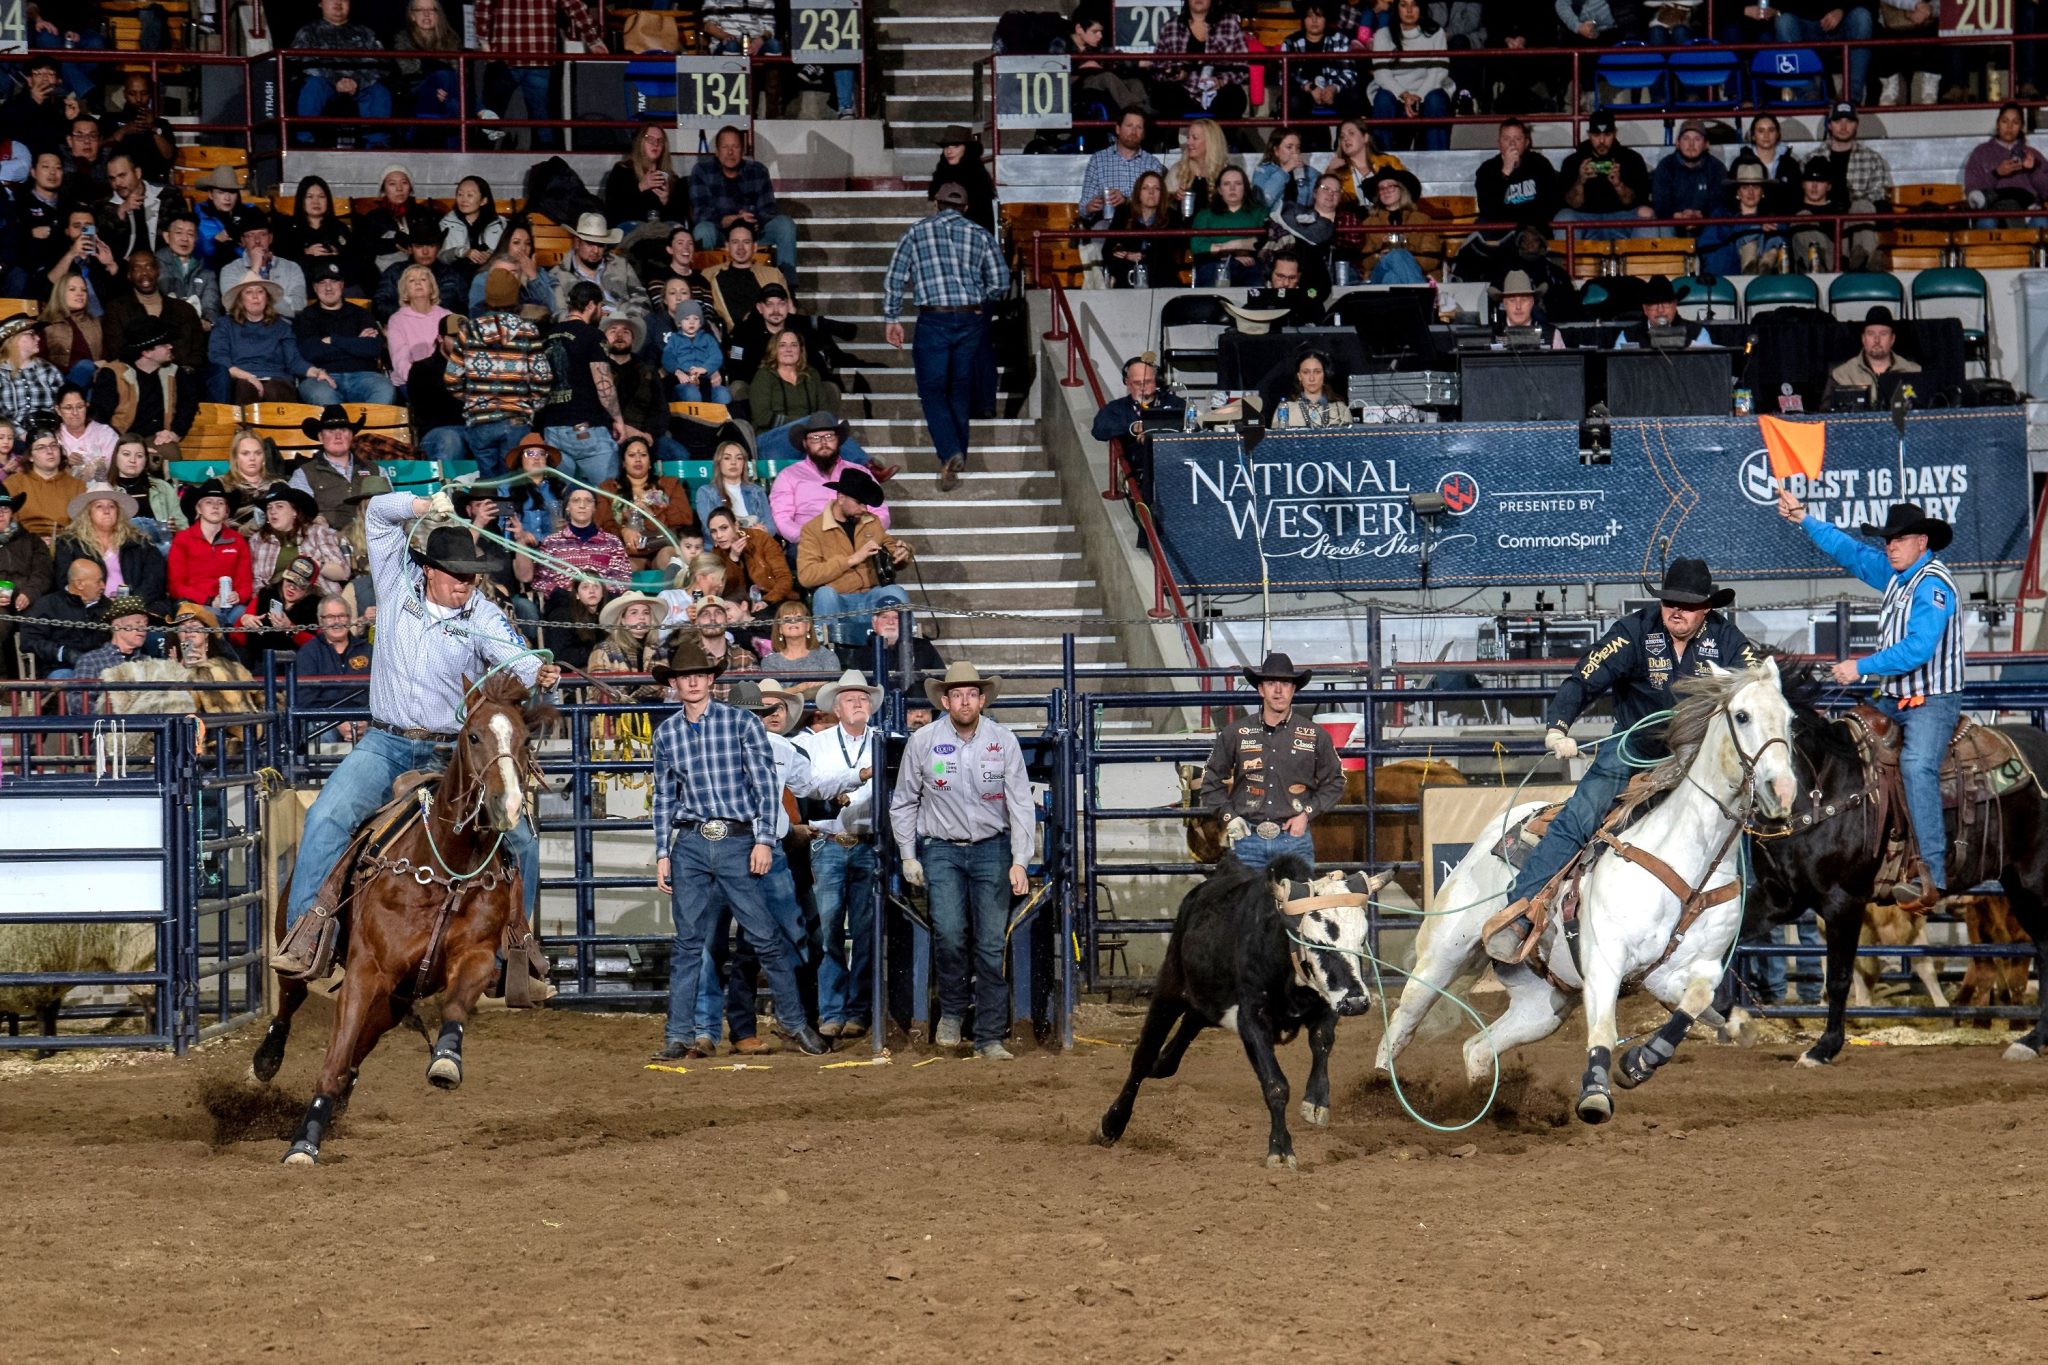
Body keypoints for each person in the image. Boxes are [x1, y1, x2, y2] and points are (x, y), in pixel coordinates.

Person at [270, 488, 561, 978]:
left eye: (472, 575)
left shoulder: (482, 614)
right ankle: (307, 933)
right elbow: (378, 516)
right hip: (385, 744)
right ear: (429, 570)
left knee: (521, 839)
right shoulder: (396, 584)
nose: (466, 583)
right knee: (326, 816)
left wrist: (540, 674)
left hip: (452, 753)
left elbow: (520, 659)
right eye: (457, 574)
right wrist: (423, 506)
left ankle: (514, 949)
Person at [1483, 559, 1760, 961]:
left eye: (1687, 605)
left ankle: (1736, 926)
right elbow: (1585, 677)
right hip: (1633, 748)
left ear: (1706, 608)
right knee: (1582, 813)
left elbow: (1759, 685)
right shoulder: (1634, 631)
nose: (1676, 611)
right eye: (1670, 602)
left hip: (1696, 758)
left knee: (1736, 823)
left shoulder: (1727, 639)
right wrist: (1558, 727)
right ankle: (1519, 913)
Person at [648, 632, 828, 1058]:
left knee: (765, 936)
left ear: (712, 679)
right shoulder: (667, 734)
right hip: (691, 841)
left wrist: (763, 840)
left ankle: (793, 1023)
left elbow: (766, 787)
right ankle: (679, 1034)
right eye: (685, 676)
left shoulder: (742, 723)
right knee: (689, 942)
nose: (693, 682)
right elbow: (664, 796)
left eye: (700, 675)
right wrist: (662, 852)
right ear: (674, 683)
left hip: (737, 838)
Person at [1776, 492, 1960, 909]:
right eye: (1888, 539)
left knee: (1917, 766)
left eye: (1900, 539)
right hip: (1894, 697)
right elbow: (1851, 552)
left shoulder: (1933, 585)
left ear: (1922, 542)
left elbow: (1919, 648)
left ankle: (1931, 873)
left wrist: (1861, 666)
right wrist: (1805, 519)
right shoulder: (1897, 574)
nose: (1890, 546)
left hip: (1933, 701)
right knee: (1846, 749)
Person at [890, 661, 1035, 1058]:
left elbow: (1021, 804)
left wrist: (1020, 859)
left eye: (972, 694)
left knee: (990, 943)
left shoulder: (1003, 741)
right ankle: (952, 1012)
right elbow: (904, 801)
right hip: (942, 848)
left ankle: (989, 1035)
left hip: (993, 847)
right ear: (945, 701)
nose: (965, 701)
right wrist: (908, 855)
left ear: (982, 700)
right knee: (950, 934)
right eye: (957, 695)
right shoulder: (923, 742)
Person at [881, 181, 1008, 494]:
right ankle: (954, 458)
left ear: (935, 204)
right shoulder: (980, 234)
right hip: (970, 317)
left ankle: (950, 452)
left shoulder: (916, 232)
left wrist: (892, 318)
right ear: (965, 208)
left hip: (934, 316)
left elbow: (895, 278)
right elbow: (1000, 282)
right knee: (960, 389)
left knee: (933, 390)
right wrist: (980, 298)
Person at [1195, 651, 1344, 873]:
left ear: (1293, 689)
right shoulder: (1235, 733)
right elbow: (1210, 781)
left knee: (1298, 896)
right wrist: (1230, 817)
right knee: (1246, 897)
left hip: (1294, 840)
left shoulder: (1315, 735)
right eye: (1271, 683)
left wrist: (1306, 814)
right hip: (1247, 840)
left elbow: (1335, 782)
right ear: (1261, 689)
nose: (1278, 690)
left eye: (1285, 683)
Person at [797, 668, 883, 1039]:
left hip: (867, 842)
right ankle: (834, 1011)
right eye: (850, 699)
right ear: (836, 708)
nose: (858, 703)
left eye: (863, 698)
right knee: (828, 931)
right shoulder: (816, 743)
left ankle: (856, 1010)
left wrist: (848, 785)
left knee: (865, 932)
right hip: (829, 842)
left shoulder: (884, 740)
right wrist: (859, 776)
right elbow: (812, 786)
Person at [440, 269, 551, 476]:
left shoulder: (468, 331)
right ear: (515, 297)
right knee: (512, 484)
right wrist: (531, 405)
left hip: (480, 421)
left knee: (489, 486)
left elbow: (452, 378)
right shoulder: (527, 331)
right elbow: (542, 377)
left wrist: (473, 398)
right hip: (517, 420)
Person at [796, 466, 910, 650]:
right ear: (841, 498)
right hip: (838, 600)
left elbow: (890, 547)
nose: (864, 509)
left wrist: (902, 554)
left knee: (894, 591)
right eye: (859, 503)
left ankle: (905, 651)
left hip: (871, 598)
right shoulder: (813, 530)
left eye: (866, 504)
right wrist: (851, 560)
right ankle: (827, 655)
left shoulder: (871, 522)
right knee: (824, 595)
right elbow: (806, 576)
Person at [474, 0, 608, 152]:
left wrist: (484, 42)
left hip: (504, 55)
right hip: (541, 56)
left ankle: (480, 157)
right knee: (543, 119)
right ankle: (547, 158)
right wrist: (593, 41)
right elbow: (576, 6)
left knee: (490, 115)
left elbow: (483, 5)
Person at [537, 281, 636, 485]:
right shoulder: (593, 335)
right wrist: (617, 419)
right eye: (601, 307)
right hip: (586, 427)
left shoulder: (547, 336)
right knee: (607, 494)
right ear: (591, 305)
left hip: (552, 428)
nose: (602, 313)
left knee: (564, 497)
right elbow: (603, 384)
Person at [686, 126, 800, 286]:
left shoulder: (758, 170)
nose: (730, 152)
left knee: (785, 225)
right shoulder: (702, 171)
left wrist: (749, 222)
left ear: (743, 150)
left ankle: (786, 287)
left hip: (753, 232)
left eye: (735, 147)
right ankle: (704, 287)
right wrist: (728, 220)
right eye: (725, 147)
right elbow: (701, 213)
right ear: (717, 151)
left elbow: (768, 209)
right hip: (720, 232)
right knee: (703, 230)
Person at [771, 412, 890, 543]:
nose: (823, 442)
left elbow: (880, 512)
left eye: (829, 436)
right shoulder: (788, 476)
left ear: (838, 440)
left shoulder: (859, 472)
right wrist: (808, 537)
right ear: (805, 443)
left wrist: (863, 534)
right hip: (808, 542)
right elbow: (781, 519)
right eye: (815, 438)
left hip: (856, 539)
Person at [290, 0, 396, 148]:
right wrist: (335, 81)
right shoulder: (307, 32)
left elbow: (380, 65)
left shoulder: (366, 33)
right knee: (312, 87)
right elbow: (301, 63)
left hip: (359, 84)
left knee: (379, 91)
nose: (338, 3)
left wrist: (357, 81)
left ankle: (377, 144)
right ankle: (305, 142)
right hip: (324, 82)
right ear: (320, 3)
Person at [52, 482, 168, 614]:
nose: (106, 511)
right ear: (88, 513)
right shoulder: (69, 544)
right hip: (88, 610)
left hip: (137, 608)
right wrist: (101, 606)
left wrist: (130, 604)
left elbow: (154, 579)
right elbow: (65, 582)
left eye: (111, 506)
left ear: (118, 512)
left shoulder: (139, 543)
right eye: (99, 506)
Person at [294, 260, 397, 406]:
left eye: (334, 281)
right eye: (322, 282)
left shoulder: (362, 314)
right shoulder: (305, 317)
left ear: (342, 285)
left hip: (365, 376)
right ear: (314, 287)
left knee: (384, 390)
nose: (328, 288)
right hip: (321, 377)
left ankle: (368, 423)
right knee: (321, 395)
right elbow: (310, 352)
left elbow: (372, 348)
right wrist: (356, 343)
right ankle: (338, 422)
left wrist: (334, 340)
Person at [1091, 354, 1185, 510]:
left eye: (1148, 382)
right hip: (1139, 472)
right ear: (1127, 383)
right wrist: (1133, 427)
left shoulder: (1175, 403)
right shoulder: (1116, 408)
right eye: (1137, 383)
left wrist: (1153, 432)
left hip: (1174, 468)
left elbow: (1191, 427)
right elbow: (1099, 430)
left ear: (1157, 381)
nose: (1143, 387)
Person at [211, 279, 327, 404]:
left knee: (275, 391)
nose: (255, 296)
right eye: (249, 292)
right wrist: (248, 377)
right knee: (245, 389)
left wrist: (316, 371)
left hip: (276, 379)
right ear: (240, 299)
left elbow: (293, 360)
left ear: (267, 297)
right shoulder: (225, 325)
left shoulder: (282, 326)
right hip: (240, 378)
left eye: (260, 291)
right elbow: (218, 357)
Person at [599, 434, 697, 573]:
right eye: (632, 455)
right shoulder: (608, 489)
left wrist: (652, 516)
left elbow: (684, 521)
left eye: (643, 455)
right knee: (618, 565)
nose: (638, 459)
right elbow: (603, 524)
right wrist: (624, 531)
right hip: (628, 551)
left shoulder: (669, 485)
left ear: (650, 462)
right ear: (623, 462)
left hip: (661, 547)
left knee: (669, 558)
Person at [1817, 102, 1894, 271]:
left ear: (1856, 125)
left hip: (1859, 215)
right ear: (1829, 125)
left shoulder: (1872, 158)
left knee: (1862, 206)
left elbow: (1878, 194)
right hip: (1827, 216)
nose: (1843, 126)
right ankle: (1847, 261)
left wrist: (1851, 202)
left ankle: (1864, 258)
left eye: (1849, 121)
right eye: (1838, 121)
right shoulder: (1813, 159)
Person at [101, 250, 205, 377]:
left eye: (149, 267)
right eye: (137, 268)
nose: (144, 272)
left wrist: (177, 369)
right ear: (129, 275)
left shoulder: (184, 309)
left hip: (182, 375)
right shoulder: (117, 309)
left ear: (158, 271)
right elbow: (117, 349)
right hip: (136, 376)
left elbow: (197, 350)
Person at [1370, 0, 1455, 151]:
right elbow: (1382, 74)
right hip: (1395, 92)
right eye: (1404, 5)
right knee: (1383, 100)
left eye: (1414, 5)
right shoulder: (1383, 34)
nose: (1409, 10)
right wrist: (1404, 95)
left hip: (1428, 90)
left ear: (1421, 8)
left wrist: (1418, 96)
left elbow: (1438, 71)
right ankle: (1383, 161)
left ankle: (1438, 160)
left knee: (1436, 101)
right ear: (1397, 9)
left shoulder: (1436, 33)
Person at [167, 477, 255, 623]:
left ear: (226, 511)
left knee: (248, 619)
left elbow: (245, 583)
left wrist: (238, 595)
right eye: (209, 502)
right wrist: (208, 600)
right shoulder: (183, 539)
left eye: (221, 502)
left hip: (232, 606)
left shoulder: (238, 541)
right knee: (210, 620)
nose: (215, 506)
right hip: (196, 605)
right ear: (198, 509)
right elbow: (176, 586)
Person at [1557, 111, 1655, 241]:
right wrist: (1580, 182)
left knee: (1646, 213)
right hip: (1585, 219)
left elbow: (1637, 200)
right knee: (1564, 217)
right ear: (1589, 135)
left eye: (1607, 135)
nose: (1602, 141)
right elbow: (1571, 203)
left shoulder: (1631, 159)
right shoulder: (1573, 161)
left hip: (1622, 219)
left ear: (1615, 133)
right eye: (1596, 135)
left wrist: (1619, 185)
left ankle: (1641, 256)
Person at [288, 406, 385, 533]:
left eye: (343, 430)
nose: (338, 436)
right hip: (327, 539)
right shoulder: (304, 474)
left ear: (351, 435)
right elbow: (299, 516)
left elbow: (390, 509)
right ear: (320, 437)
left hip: (373, 534)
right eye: (331, 430)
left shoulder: (376, 470)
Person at [1151, 0, 1251, 121]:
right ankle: (1171, 133)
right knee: (1164, 94)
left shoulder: (1229, 23)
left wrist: (1220, 81)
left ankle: (1221, 133)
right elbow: (1157, 68)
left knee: (1235, 96)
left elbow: (1242, 66)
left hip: (1218, 94)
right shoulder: (1170, 26)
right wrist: (1174, 74)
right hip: (1182, 93)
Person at [294, 594, 374, 740]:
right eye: (330, 617)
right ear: (320, 621)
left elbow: (380, 694)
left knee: (381, 735)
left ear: (349, 619)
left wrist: (365, 720)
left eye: (342, 616)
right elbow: (304, 700)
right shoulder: (308, 653)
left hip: (364, 719)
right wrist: (336, 721)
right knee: (322, 733)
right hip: (324, 719)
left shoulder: (368, 651)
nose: (337, 621)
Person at [1771, 0, 1876, 106]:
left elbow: (1871, 5)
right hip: (1804, 24)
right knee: (1784, 22)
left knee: (1861, 17)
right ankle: (1808, 96)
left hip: (1842, 23)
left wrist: (1842, 10)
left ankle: (1851, 96)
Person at [1078, 107, 1166, 230]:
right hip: (1107, 225)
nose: (1134, 131)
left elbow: (1159, 204)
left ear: (1143, 134)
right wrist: (1090, 207)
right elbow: (1083, 208)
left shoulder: (1153, 164)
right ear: (1118, 129)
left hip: (1141, 226)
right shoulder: (1098, 160)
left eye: (1139, 127)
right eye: (1129, 126)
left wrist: (1127, 201)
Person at [1964, 102, 2048, 228]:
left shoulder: (2032, 155)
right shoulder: (1981, 153)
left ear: (2021, 126)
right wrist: (1996, 174)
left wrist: (2033, 170)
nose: (2009, 127)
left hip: (2027, 213)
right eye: (2005, 121)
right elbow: (1972, 193)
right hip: (1994, 213)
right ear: (1998, 124)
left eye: (2015, 122)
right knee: (1987, 223)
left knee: (2041, 222)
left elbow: (2046, 191)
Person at [1356, 165, 1445, 284]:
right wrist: (1379, 256)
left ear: (1402, 190)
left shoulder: (1423, 220)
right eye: (1381, 188)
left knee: (1392, 276)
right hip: (1378, 273)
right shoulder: (1369, 223)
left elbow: (1431, 260)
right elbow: (1365, 262)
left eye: (1391, 186)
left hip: (1405, 274)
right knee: (1393, 256)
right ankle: (1419, 292)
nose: (1386, 190)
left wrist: (1405, 253)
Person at [1282, 1, 1364, 127]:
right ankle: (1298, 138)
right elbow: (1285, 76)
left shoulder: (1340, 39)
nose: (1314, 20)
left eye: (1319, 16)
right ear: (1303, 19)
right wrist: (1310, 87)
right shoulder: (1291, 42)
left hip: (1333, 92)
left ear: (1326, 18)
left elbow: (1349, 73)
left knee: (1354, 97)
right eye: (1309, 16)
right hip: (1305, 93)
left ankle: (1345, 137)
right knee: (1293, 101)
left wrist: (1334, 88)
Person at [20, 557, 107, 677]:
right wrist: (63, 653)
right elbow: (29, 641)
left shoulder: (107, 607)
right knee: (65, 678)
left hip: (101, 667)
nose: (103, 586)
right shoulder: (48, 605)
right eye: (98, 581)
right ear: (79, 584)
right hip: (60, 668)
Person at [375, 211, 467, 323]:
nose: (425, 252)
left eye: (431, 245)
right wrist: (413, 313)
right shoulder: (395, 272)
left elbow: (465, 309)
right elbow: (379, 305)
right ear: (410, 248)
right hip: (405, 327)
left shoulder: (452, 275)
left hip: (443, 330)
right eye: (419, 246)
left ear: (438, 247)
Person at [1698, 164, 1789, 277]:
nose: (1751, 192)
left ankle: (1764, 269)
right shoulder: (1722, 215)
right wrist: (1755, 228)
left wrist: (1773, 229)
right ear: (1738, 192)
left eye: (1756, 187)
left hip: (1767, 279)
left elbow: (1785, 235)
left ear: (1762, 192)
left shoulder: (1772, 217)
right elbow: (1707, 245)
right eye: (1745, 187)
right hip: (1731, 277)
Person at [0, 489, 54, 676]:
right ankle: (4, 681)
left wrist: (29, 593)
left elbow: (43, 572)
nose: (0, 514)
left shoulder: (32, 540)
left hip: (30, 600)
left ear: (12, 513)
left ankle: (41, 679)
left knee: (41, 618)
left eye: (5, 509)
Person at [1823, 305, 1922, 407]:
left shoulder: (1914, 372)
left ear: (1892, 339)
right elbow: (1825, 413)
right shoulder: (1841, 375)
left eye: (1883, 334)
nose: (1877, 340)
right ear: (1863, 339)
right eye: (1871, 334)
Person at [703, 221, 791, 333]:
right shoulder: (709, 275)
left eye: (746, 242)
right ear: (727, 246)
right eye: (735, 242)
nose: (741, 248)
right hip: (726, 338)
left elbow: (788, 310)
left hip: (767, 337)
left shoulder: (773, 275)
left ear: (754, 246)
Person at [705, 503, 795, 610]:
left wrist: (766, 601)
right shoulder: (716, 553)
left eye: (724, 528)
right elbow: (727, 591)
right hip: (740, 607)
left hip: (773, 600)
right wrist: (733, 559)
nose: (719, 535)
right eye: (713, 531)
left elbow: (784, 578)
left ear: (736, 526)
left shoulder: (760, 539)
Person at [238, 553, 327, 660]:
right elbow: (235, 639)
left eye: (299, 584)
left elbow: (320, 647)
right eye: (289, 580)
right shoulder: (265, 595)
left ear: (309, 588)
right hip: (256, 658)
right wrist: (243, 621)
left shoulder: (318, 607)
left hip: (297, 662)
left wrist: (290, 628)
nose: (292, 587)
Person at [95, 153, 182, 264]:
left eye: (122, 175)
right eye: (112, 178)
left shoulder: (168, 196)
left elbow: (180, 232)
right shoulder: (103, 206)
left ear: (137, 173)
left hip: (163, 265)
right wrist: (121, 211)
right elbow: (106, 243)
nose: (117, 183)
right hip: (122, 268)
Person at [220, 212, 309, 319]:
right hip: (245, 327)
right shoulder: (229, 270)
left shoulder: (291, 268)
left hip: (285, 326)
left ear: (270, 238)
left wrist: (257, 304)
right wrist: (255, 267)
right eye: (250, 235)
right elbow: (233, 308)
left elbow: (299, 306)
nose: (257, 241)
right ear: (243, 241)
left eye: (262, 234)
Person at [1475, 116, 1558, 230]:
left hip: (1533, 227)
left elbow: (1551, 202)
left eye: (1518, 139)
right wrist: (1506, 171)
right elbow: (1488, 209)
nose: (1512, 144)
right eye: (1506, 139)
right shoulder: (1487, 169)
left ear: (1526, 142)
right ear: (1499, 143)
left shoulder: (1539, 163)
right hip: (1502, 229)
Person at [5, 424, 86, 540]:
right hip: (24, 542)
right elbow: (6, 523)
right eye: (41, 447)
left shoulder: (77, 485)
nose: (49, 451)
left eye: (54, 446)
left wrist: (59, 542)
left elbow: (82, 527)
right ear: (30, 456)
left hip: (65, 542)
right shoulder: (14, 483)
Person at [1106, 170, 1185, 290]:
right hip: (1127, 279)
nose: (1151, 192)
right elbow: (1107, 249)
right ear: (1138, 193)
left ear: (1162, 194)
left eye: (1156, 188)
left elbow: (1169, 252)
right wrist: (1125, 255)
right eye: (1145, 188)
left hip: (1161, 281)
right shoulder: (1123, 213)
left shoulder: (1173, 217)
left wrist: (1141, 256)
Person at [1190, 166, 1267, 288]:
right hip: (1214, 264)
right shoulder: (1205, 214)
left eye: (1238, 183)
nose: (1232, 188)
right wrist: (1232, 252)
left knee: (1258, 284)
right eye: (1226, 184)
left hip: (1251, 265)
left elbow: (1266, 240)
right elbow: (1197, 245)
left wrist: (1233, 246)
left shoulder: (1259, 212)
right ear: (1219, 190)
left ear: (1245, 188)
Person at [104, 432, 185, 547]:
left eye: (139, 456)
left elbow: (183, 526)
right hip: (119, 548)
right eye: (126, 454)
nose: (133, 460)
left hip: (159, 548)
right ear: (115, 457)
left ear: (146, 460)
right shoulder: (104, 491)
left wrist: (175, 529)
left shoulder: (163, 488)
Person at [605, 124, 688, 232]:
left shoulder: (671, 178)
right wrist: (641, 186)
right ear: (640, 143)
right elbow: (614, 210)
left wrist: (665, 200)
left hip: (660, 230)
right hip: (631, 228)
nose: (655, 144)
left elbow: (678, 219)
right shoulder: (622, 171)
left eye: (660, 141)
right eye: (650, 139)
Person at [1651, 119, 1728, 229]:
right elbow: (1660, 204)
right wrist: (1678, 216)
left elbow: (1719, 203)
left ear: (1706, 144)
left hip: (1707, 224)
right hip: (1672, 224)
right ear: (1677, 143)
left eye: (1697, 139)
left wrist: (1699, 216)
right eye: (1686, 138)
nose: (1691, 144)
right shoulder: (1666, 166)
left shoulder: (1716, 168)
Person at [154, 214, 222, 327]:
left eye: (190, 234)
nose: (185, 239)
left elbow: (211, 305)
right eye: (179, 232)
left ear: (196, 238)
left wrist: (208, 322)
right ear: (166, 237)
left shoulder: (207, 272)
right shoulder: (154, 266)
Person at [0, 316, 65, 432]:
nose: (38, 338)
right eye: (31, 334)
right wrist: (22, 434)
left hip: (50, 433)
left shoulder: (47, 369)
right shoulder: (1, 374)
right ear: (14, 339)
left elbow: (63, 405)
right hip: (11, 437)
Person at [927, 126, 997, 234]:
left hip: (972, 234)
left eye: (956, 146)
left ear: (967, 149)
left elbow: (984, 218)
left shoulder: (977, 176)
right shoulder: (941, 171)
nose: (949, 151)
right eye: (946, 147)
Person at [72, 595, 159, 680]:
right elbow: (81, 690)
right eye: (138, 622)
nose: (143, 628)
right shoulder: (91, 660)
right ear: (117, 626)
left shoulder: (148, 663)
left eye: (146, 624)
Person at [761, 600, 838, 695]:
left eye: (798, 618)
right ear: (780, 629)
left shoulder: (825, 655)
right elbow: (773, 694)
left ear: (808, 626)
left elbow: (834, 685)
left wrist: (793, 690)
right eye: (787, 619)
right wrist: (801, 687)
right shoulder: (770, 661)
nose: (793, 622)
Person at [41, 275, 104, 390]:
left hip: (93, 380)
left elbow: (105, 357)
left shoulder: (95, 322)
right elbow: (41, 362)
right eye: (72, 289)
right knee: (86, 366)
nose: (80, 294)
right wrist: (89, 366)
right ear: (60, 293)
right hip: (59, 383)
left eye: (84, 290)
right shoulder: (46, 323)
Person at [1730, 111, 1802, 213]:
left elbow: (1797, 197)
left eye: (1771, 130)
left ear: (1778, 134)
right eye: (1761, 131)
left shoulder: (1790, 164)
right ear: (1753, 135)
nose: (1766, 135)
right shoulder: (1740, 163)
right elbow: (1731, 196)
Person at [661, 299, 729, 405]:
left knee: (723, 395)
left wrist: (705, 368)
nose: (691, 322)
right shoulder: (674, 339)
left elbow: (716, 356)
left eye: (696, 319)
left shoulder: (707, 338)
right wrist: (677, 371)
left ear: (700, 322)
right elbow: (667, 357)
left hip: (706, 379)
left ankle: (717, 414)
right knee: (691, 394)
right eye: (687, 318)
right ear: (679, 322)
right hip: (684, 380)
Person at [695, 436, 773, 529]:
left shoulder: (757, 491)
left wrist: (762, 531)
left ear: (744, 463)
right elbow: (710, 530)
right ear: (718, 463)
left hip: (756, 538)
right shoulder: (706, 492)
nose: (733, 462)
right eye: (727, 458)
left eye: (739, 458)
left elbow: (770, 527)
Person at [439, 176, 505, 283]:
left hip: (491, 277)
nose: (463, 200)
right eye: (460, 194)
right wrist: (461, 252)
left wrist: (491, 256)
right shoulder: (447, 223)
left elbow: (508, 255)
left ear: (483, 200)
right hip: (456, 277)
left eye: (470, 195)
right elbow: (441, 257)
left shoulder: (499, 224)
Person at [53, 386, 118, 479]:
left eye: (80, 407)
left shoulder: (106, 433)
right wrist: (66, 464)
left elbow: (115, 468)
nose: (75, 413)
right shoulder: (53, 438)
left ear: (87, 406)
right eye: (68, 408)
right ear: (58, 410)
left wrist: (91, 466)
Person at [1253, 127, 1317, 215]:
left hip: (1301, 219)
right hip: (1272, 220)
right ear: (1276, 151)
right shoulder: (1263, 171)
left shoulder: (1309, 172)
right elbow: (1265, 201)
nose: (1295, 152)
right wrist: (1284, 171)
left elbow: (1313, 201)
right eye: (1289, 147)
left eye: (1298, 147)